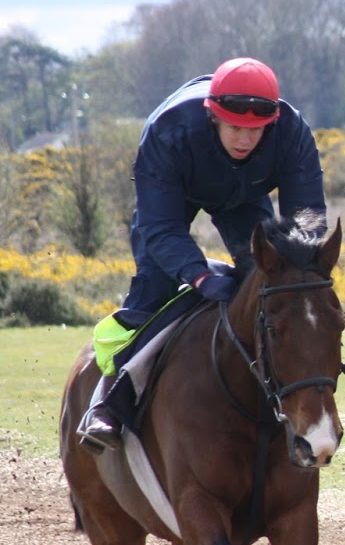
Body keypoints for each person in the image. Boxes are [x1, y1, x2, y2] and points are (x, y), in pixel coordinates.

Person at [77, 57, 327, 452]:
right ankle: (110, 400)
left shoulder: (292, 132)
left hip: (244, 197)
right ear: (213, 117)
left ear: (272, 122)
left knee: (268, 282)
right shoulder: (168, 132)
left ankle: (276, 398)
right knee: (154, 288)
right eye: (234, 128)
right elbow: (161, 229)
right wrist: (199, 276)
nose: (245, 139)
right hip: (171, 199)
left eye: (256, 130)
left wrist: (299, 276)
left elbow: (308, 218)